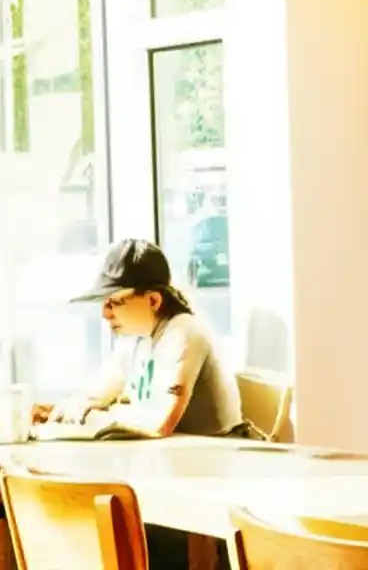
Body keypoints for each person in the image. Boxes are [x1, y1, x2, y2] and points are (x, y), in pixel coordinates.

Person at [40, 238, 246, 569]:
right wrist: (58, 412)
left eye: (115, 302)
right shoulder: (137, 342)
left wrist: (100, 415)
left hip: (211, 483)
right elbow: (89, 398)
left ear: (152, 299)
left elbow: (158, 423)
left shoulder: (183, 332)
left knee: (117, 531)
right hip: (175, 474)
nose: (105, 314)